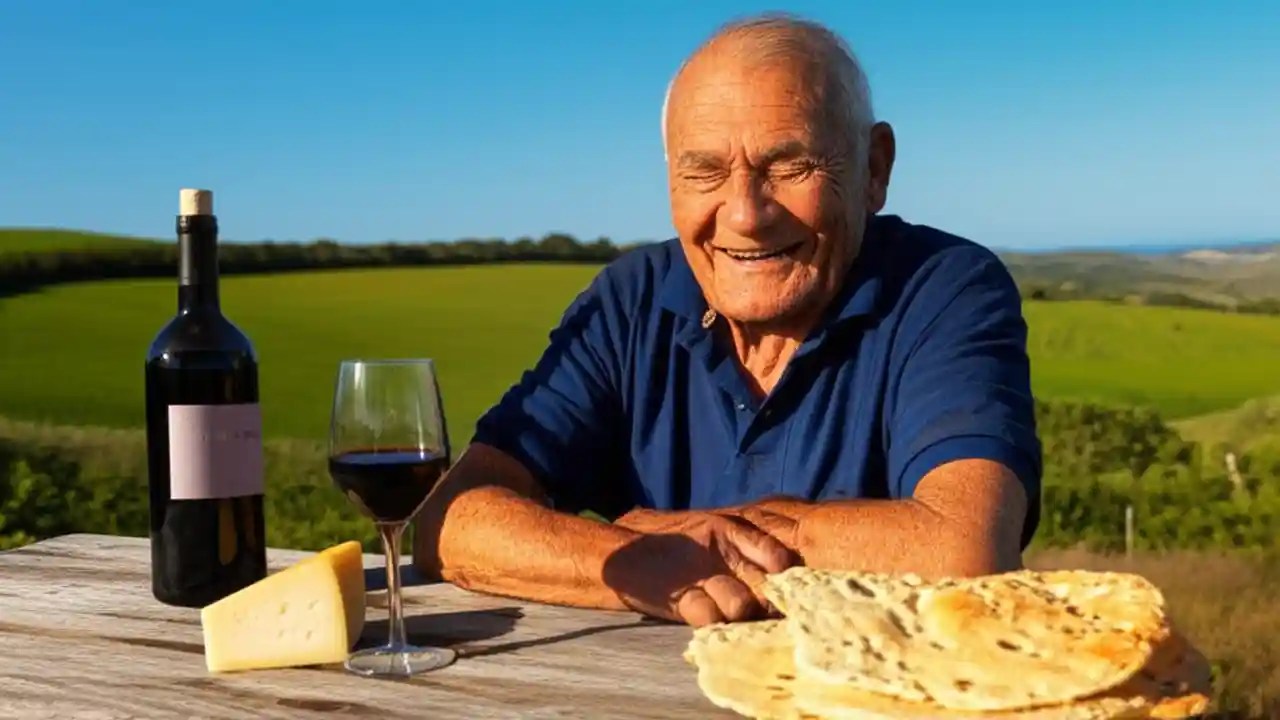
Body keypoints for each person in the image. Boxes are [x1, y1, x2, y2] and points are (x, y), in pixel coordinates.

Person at [412, 13, 1042, 627]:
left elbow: (966, 554)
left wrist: (655, 528)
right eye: (704, 171)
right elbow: (453, 521)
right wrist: (630, 558)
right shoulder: (631, 299)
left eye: (789, 165)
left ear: (874, 168)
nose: (744, 214)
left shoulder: (942, 288)